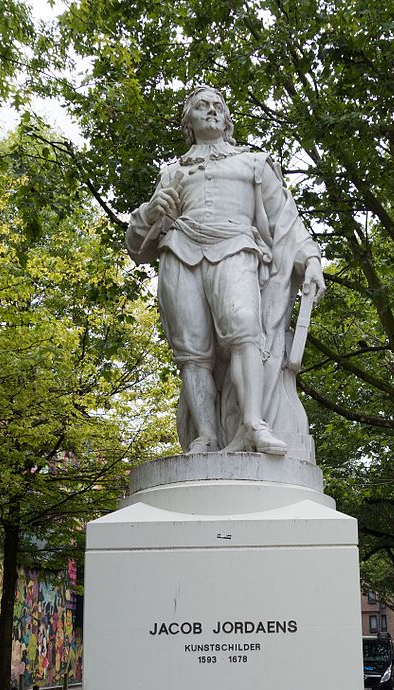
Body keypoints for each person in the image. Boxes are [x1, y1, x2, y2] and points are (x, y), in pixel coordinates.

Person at [125, 86, 325, 456]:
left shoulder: (253, 164)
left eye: (218, 105)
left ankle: (253, 424)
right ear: (189, 121)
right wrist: (151, 211)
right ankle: (206, 436)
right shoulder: (172, 173)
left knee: (245, 326)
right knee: (192, 351)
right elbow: (137, 247)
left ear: (227, 117)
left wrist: (310, 259)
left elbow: (286, 223)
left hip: (237, 248)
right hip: (181, 254)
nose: (212, 110)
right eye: (202, 106)